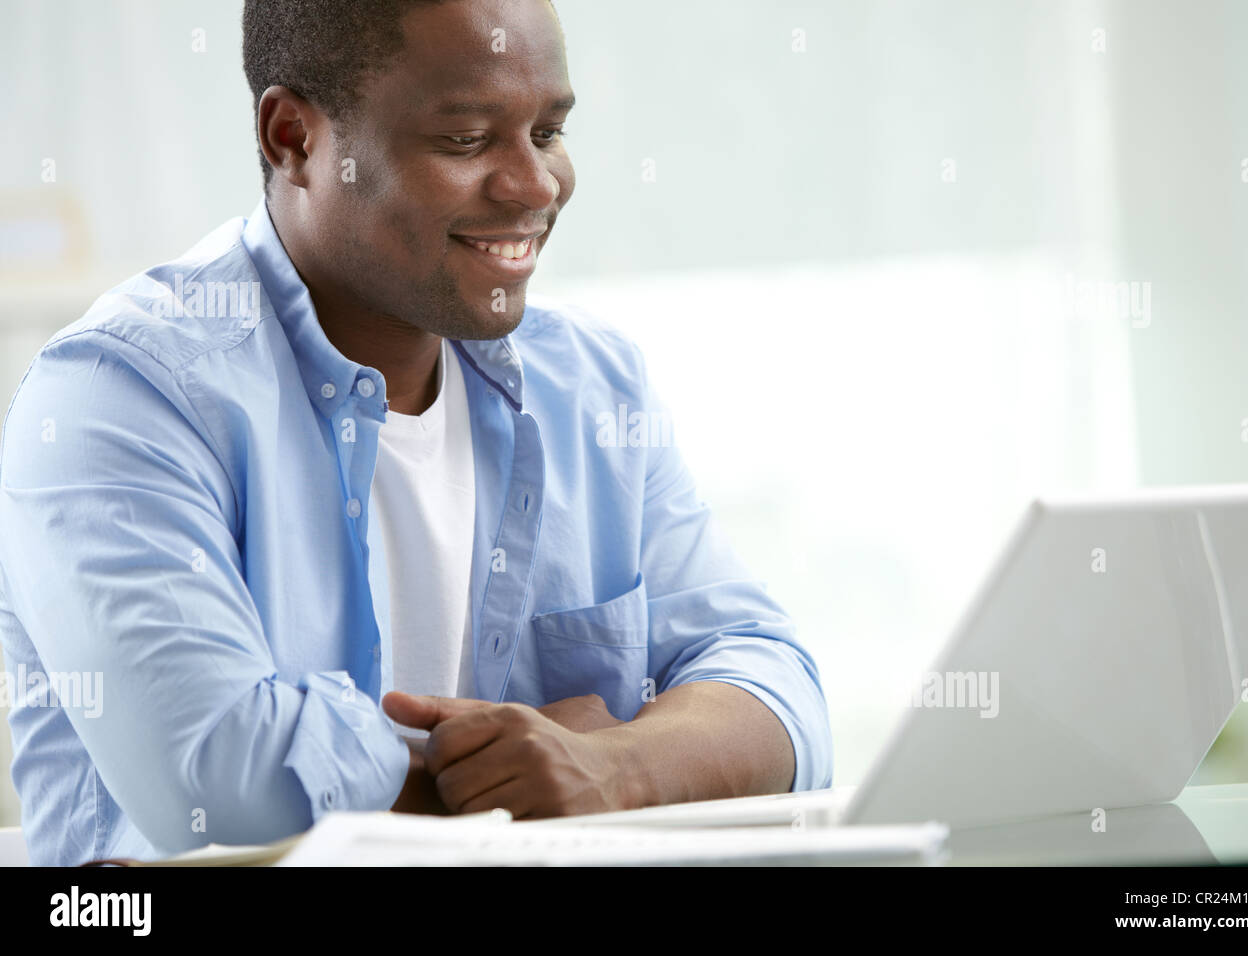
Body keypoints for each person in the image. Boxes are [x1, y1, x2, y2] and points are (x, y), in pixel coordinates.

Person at [0, 0, 832, 866]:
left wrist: (616, 766)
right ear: (295, 138)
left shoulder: (592, 385)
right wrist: (536, 769)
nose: (535, 185)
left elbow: (776, 691)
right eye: (468, 141)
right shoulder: (118, 396)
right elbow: (226, 781)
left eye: (547, 133)